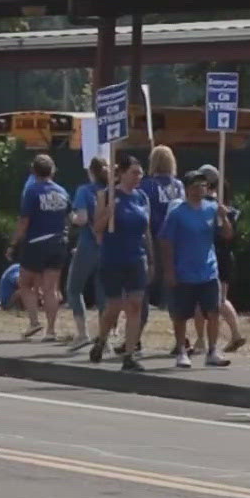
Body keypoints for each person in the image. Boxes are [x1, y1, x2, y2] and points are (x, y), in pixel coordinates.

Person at [159, 167, 233, 368]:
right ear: (188, 188)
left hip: (208, 270)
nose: (201, 189)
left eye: (204, 185)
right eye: (196, 185)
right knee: (181, 315)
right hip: (184, 272)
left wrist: (224, 217)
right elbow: (166, 242)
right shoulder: (177, 213)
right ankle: (182, 350)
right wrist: (169, 270)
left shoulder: (212, 208)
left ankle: (212, 350)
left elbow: (227, 235)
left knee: (213, 311)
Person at [91, 153, 154, 369]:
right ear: (122, 174)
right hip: (113, 257)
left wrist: (151, 259)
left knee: (135, 305)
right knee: (114, 305)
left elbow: (146, 231)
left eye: (140, 173)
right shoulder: (107, 195)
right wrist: (108, 214)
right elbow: (96, 229)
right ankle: (101, 339)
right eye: (134, 173)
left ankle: (129, 354)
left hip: (136, 257)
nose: (138, 177)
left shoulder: (142, 198)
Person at [12, 154, 70, 341]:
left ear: (33, 170)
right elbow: (69, 217)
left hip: (36, 243)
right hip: (58, 242)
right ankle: (51, 330)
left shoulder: (32, 191)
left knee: (25, 283)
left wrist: (14, 243)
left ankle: (34, 321)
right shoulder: (62, 191)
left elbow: (24, 221)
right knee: (50, 288)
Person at [135, 146, 186, 355]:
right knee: (174, 291)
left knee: (143, 290)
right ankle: (181, 340)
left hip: (154, 240)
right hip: (176, 242)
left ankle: (135, 337)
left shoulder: (146, 186)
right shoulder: (180, 186)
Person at [194, 164, 246, 355]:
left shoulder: (208, 207)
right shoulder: (228, 207)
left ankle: (201, 340)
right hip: (225, 258)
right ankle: (235, 333)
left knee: (202, 301)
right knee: (220, 299)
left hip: (211, 256)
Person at [66, 157, 112, 347]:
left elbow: (82, 219)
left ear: (90, 172)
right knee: (103, 292)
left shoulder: (84, 191)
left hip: (88, 244)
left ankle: (82, 333)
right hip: (107, 246)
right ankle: (104, 336)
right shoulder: (111, 192)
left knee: (74, 288)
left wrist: (71, 216)